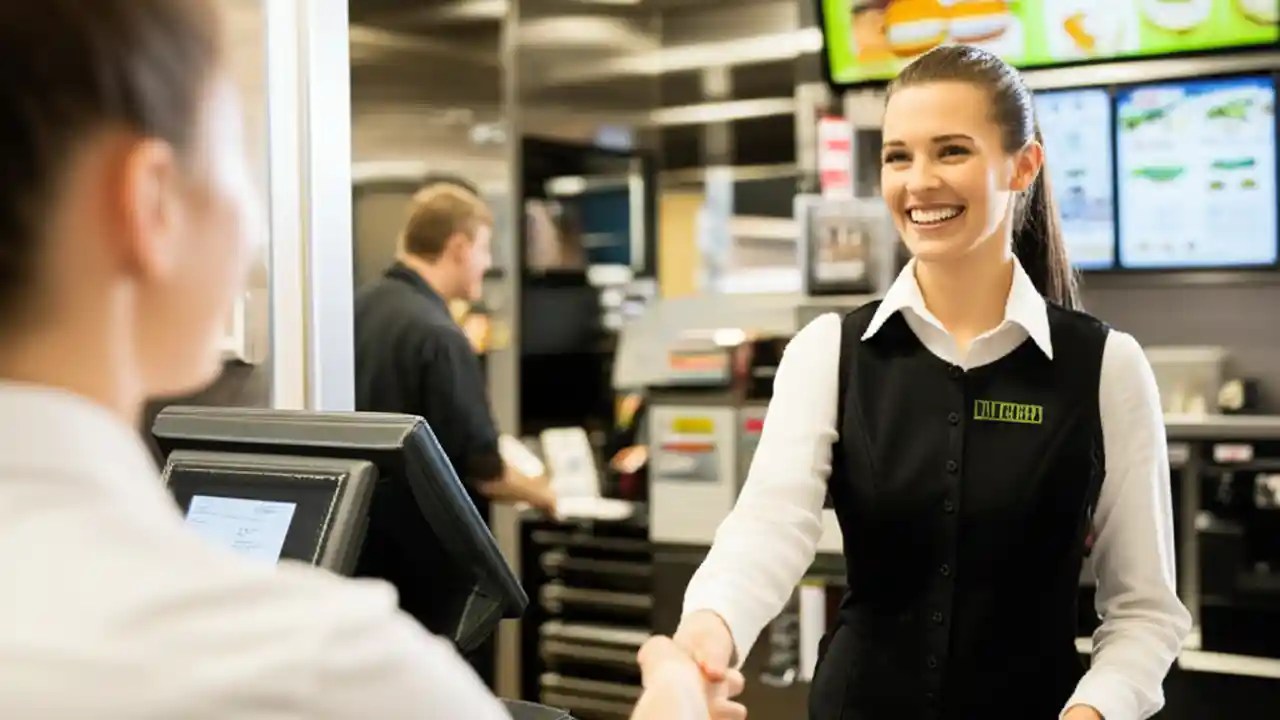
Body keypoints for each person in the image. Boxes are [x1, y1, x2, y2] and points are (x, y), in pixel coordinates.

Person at [0, 3, 744, 719]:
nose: (254, 222)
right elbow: (482, 463)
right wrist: (674, 699)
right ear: (149, 203)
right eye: (234, 151)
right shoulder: (316, 667)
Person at [648, 45, 1192, 720]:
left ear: (1024, 165)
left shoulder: (1106, 366)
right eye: (898, 155)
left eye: (952, 151)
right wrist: (706, 633)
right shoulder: (830, 351)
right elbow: (768, 529)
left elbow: (1145, 611)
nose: (919, 181)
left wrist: (1093, 712)